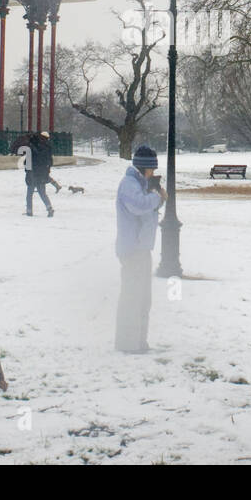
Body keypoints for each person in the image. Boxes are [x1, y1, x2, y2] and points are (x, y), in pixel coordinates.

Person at [114, 144, 166, 353]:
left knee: (143, 298)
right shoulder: (129, 184)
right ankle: (128, 344)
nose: (153, 173)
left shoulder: (140, 183)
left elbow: (146, 209)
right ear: (144, 167)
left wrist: (155, 196)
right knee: (132, 297)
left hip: (141, 248)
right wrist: (158, 197)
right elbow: (138, 206)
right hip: (132, 249)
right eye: (152, 169)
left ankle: (138, 342)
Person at [24, 131, 55, 217]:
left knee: (29, 193)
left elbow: (28, 161)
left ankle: (29, 211)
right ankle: (49, 208)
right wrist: (46, 170)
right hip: (42, 173)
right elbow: (50, 161)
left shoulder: (32, 146)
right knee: (42, 193)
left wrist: (27, 170)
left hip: (32, 172)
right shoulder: (48, 147)